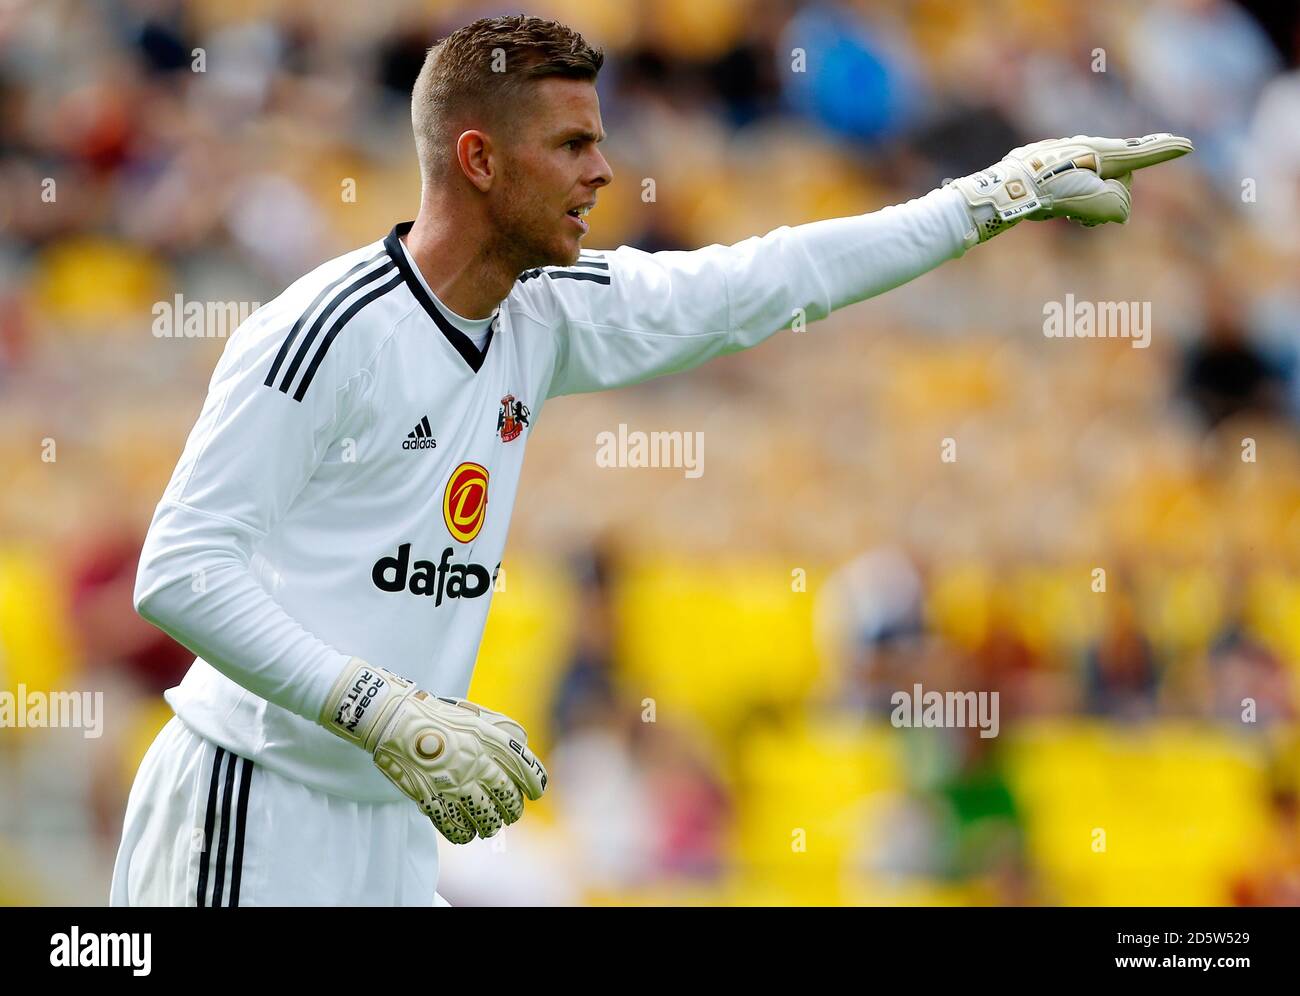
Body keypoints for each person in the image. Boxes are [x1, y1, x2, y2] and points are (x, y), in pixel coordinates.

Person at [110, 13, 1191, 906]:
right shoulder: (329, 328)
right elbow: (183, 570)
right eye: (573, 145)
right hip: (251, 811)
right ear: (479, 159)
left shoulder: (545, 315)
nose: (604, 170)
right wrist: (382, 710)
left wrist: (986, 198)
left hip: (391, 827)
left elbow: (767, 279)